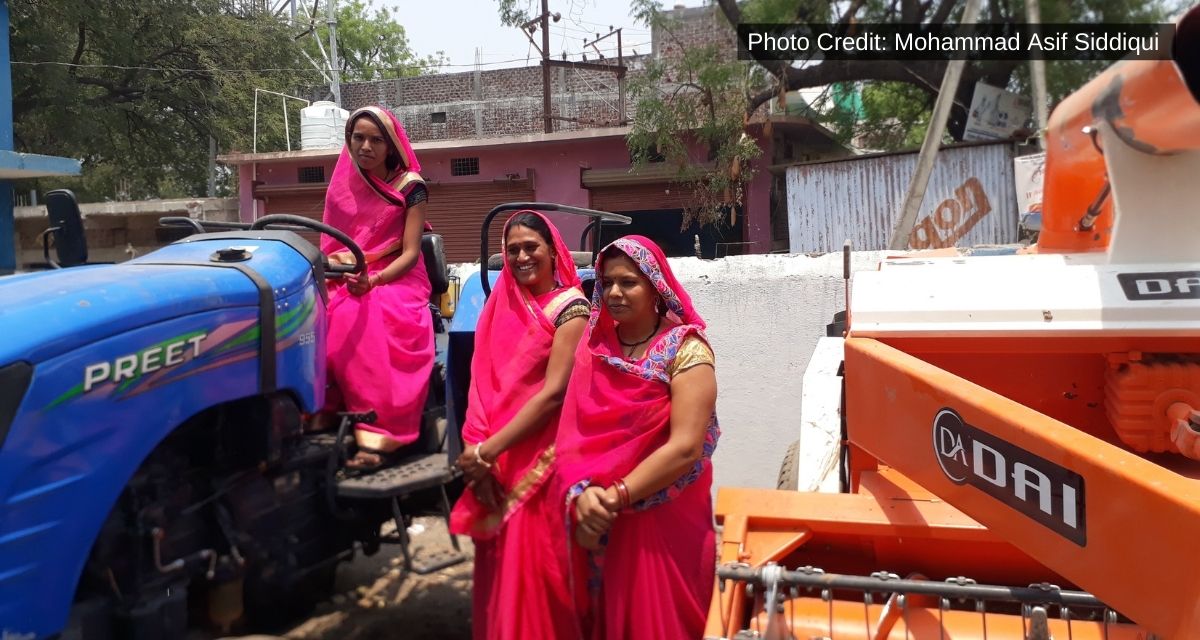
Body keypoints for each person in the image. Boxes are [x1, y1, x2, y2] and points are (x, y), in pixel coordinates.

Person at [555, 235, 720, 640]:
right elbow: (574, 434)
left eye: (628, 282)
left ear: (654, 287)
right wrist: (581, 494)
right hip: (600, 518)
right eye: (607, 282)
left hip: (665, 518)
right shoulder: (593, 350)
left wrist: (615, 497)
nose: (614, 292)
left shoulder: (685, 350)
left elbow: (685, 448)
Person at [449, 211, 589, 639]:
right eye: (513, 250)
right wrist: (476, 456)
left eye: (532, 247)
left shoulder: (571, 309)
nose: (522, 257)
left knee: (540, 573)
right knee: (499, 571)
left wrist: (485, 452)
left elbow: (553, 394)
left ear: (553, 251)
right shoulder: (501, 306)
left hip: (540, 460)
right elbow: (481, 382)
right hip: (492, 460)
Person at [319, 106, 435, 470]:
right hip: (349, 269)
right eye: (358, 138)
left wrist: (373, 280)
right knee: (309, 306)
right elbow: (334, 245)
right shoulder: (343, 185)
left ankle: (378, 429)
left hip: (398, 274)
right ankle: (316, 413)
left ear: (391, 146)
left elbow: (411, 253)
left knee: (356, 310)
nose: (366, 147)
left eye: (376, 140)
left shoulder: (411, 186)